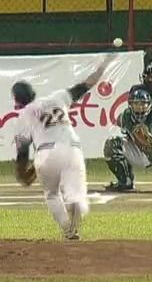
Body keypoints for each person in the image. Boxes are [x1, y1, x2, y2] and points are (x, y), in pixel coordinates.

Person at [11, 56, 114, 241]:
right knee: (75, 194)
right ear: (33, 93)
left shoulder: (23, 115)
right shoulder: (57, 98)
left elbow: (22, 150)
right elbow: (86, 85)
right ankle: (74, 225)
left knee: (51, 194)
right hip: (72, 148)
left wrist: (22, 173)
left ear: (18, 100)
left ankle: (67, 229)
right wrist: (104, 64)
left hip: (45, 153)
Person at [103, 88, 152, 193]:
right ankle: (125, 182)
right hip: (139, 152)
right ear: (131, 105)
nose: (140, 107)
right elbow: (118, 123)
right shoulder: (126, 117)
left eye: (143, 104)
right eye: (136, 104)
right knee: (111, 143)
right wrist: (129, 136)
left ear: (149, 105)